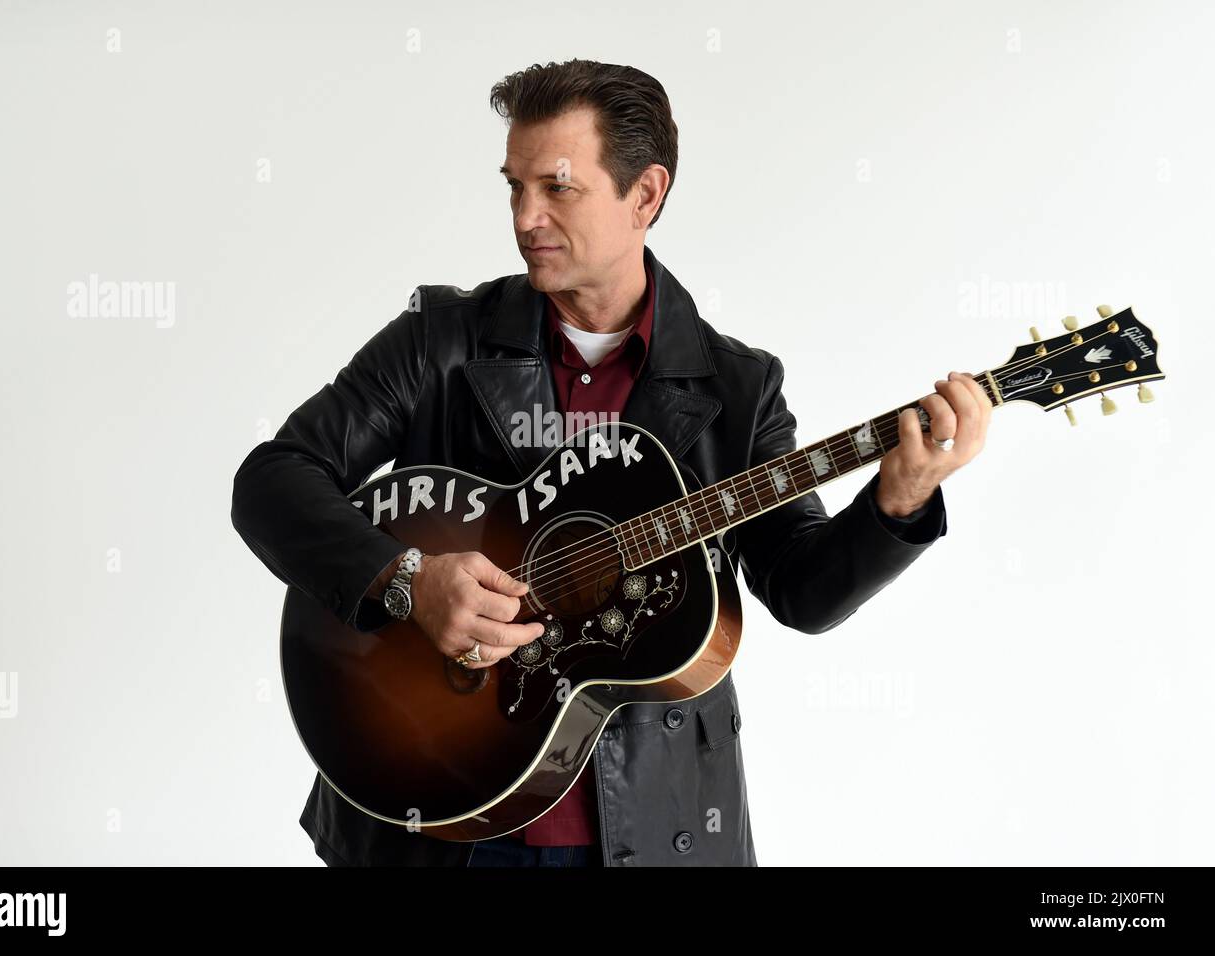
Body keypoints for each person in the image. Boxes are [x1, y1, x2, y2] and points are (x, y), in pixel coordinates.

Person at [230, 58, 990, 867]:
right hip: (437, 822)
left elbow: (800, 589)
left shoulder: (737, 385)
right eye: (514, 186)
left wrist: (896, 504)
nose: (526, 217)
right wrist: (408, 579)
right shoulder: (439, 342)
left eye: (557, 188)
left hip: (653, 831)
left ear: (646, 195)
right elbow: (274, 479)